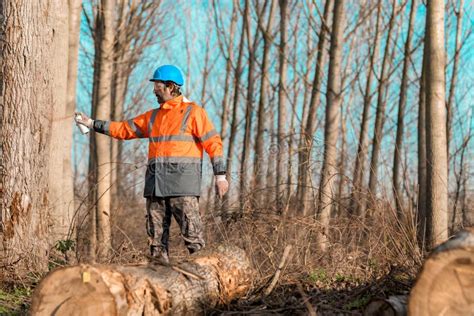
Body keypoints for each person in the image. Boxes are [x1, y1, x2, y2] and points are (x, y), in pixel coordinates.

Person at [75, 64, 229, 263]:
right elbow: (123, 129)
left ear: (171, 87)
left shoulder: (194, 112)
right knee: (156, 246)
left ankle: (207, 285)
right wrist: (91, 123)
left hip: (183, 189)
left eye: (158, 86)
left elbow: (213, 143)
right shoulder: (153, 116)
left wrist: (220, 176)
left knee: (195, 243)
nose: (154, 90)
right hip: (155, 188)